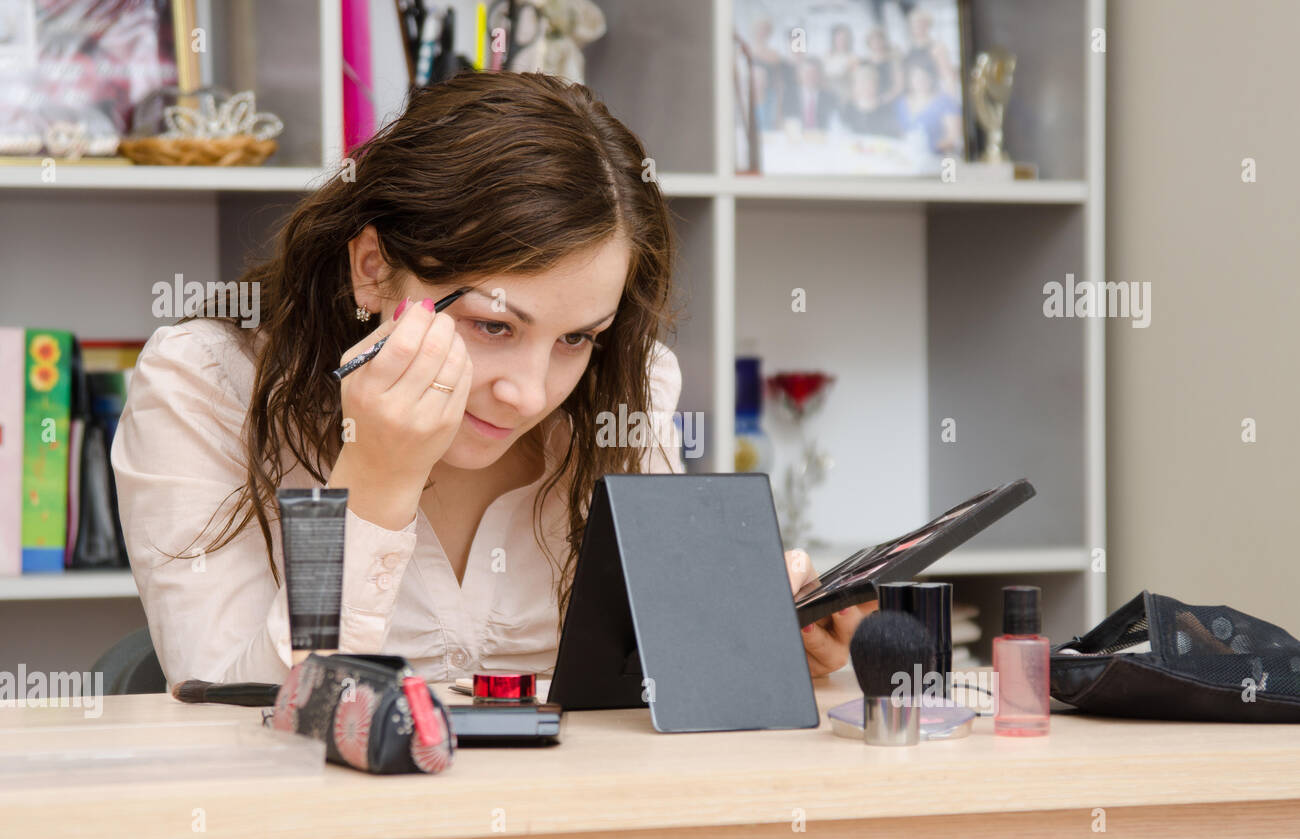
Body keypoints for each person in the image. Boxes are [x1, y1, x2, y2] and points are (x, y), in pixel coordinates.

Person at [111, 72, 873, 685]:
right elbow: (230, 707)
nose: (530, 393)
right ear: (373, 266)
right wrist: (369, 487)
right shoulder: (204, 383)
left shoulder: (628, 386)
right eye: (493, 327)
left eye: (576, 337)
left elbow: (646, 686)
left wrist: (750, 647)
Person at [894, 60, 963, 155]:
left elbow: (953, 138)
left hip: (937, 160)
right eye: (916, 76)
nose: (920, 80)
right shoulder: (902, 103)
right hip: (906, 161)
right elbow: (900, 134)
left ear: (932, 78)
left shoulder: (946, 102)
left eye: (924, 76)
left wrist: (928, 149)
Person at [838, 60, 901, 138]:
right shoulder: (847, 108)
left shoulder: (886, 110)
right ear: (854, 85)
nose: (864, 86)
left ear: (876, 84)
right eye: (860, 81)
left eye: (868, 80)